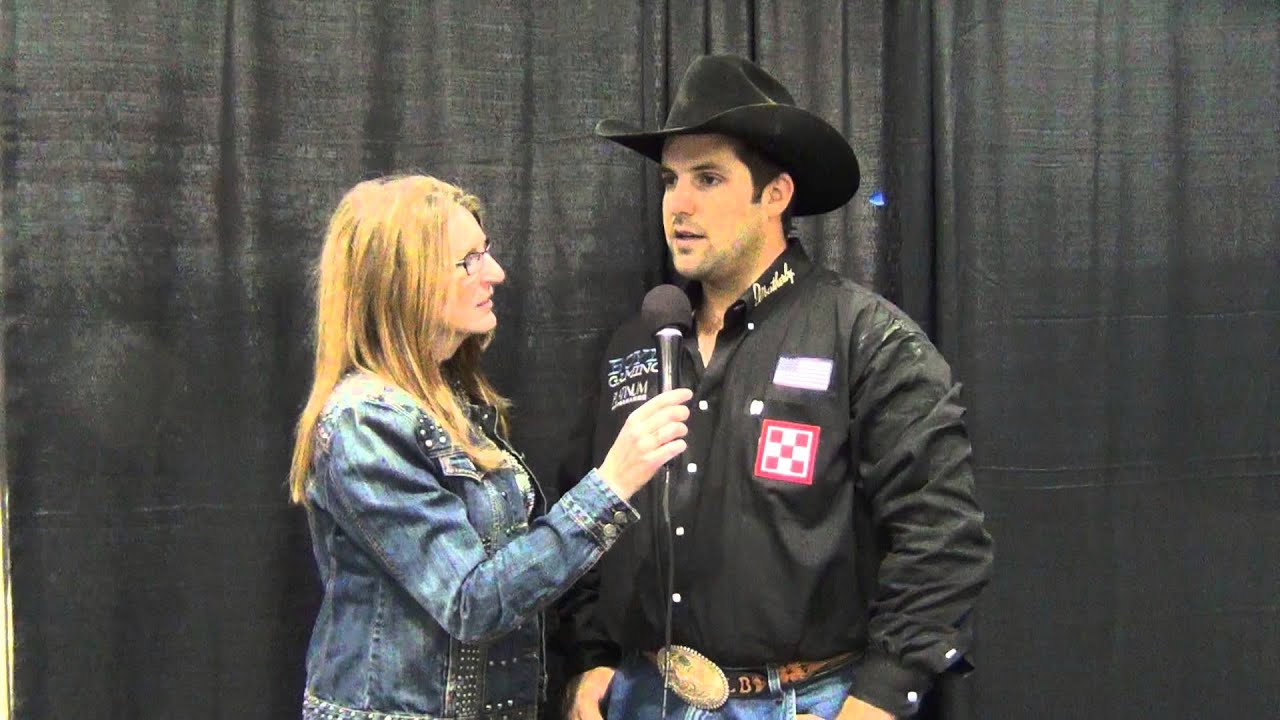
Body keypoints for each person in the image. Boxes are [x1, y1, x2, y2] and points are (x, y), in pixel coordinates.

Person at [556, 55, 994, 720]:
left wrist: (875, 702)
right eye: (671, 180)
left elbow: (944, 542)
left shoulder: (865, 340)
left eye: (708, 178)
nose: (679, 203)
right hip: (642, 695)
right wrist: (591, 658)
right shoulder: (636, 347)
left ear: (776, 195)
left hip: (796, 700)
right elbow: (585, 508)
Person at [287, 174, 692, 720]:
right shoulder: (367, 423)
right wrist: (612, 484)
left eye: (488, 253)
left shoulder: (450, 404)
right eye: (468, 261)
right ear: (403, 281)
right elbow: (470, 601)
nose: (495, 274)